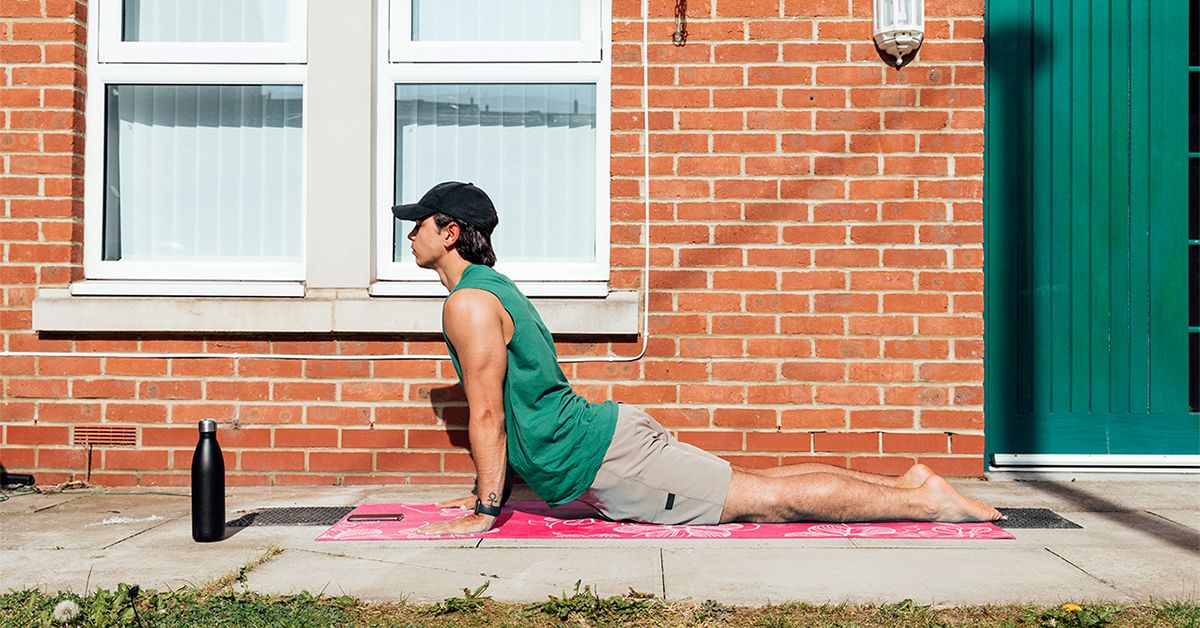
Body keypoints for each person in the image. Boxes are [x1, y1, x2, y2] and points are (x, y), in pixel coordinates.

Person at [392, 181, 1003, 536]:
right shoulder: (488, 293)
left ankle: (925, 503)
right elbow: (512, 404)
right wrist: (479, 492)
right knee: (756, 484)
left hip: (608, 461)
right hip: (605, 447)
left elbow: (491, 415)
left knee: (766, 500)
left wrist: (486, 510)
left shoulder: (468, 302)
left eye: (418, 223)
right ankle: (909, 484)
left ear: (450, 232)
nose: (410, 233)